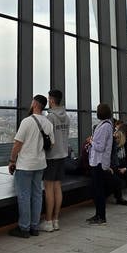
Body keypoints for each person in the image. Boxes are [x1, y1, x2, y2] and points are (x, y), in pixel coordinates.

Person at [8, 95, 54, 238]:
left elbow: (17, 144)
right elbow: (51, 144)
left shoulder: (27, 122)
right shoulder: (47, 123)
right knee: (37, 195)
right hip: (40, 163)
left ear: (34, 104)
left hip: (25, 165)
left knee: (24, 196)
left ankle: (24, 228)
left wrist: (12, 160)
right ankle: (34, 226)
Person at [41, 89, 70, 232]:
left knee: (48, 189)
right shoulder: (67, 117)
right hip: (63, 155)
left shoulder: (50, 117)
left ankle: (48, 221)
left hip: (51, 156)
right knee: (58, 187)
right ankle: (56, 219)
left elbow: (46, 139)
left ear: (52, 100)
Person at [86, 103, 114, 226]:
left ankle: (101, 216)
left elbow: (100, 147)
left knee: (98, 190)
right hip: (99, 161)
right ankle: (98, 214)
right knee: (97, 189)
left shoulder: (104, 127)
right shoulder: (106, 125)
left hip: (99, 162)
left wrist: (91, 141)